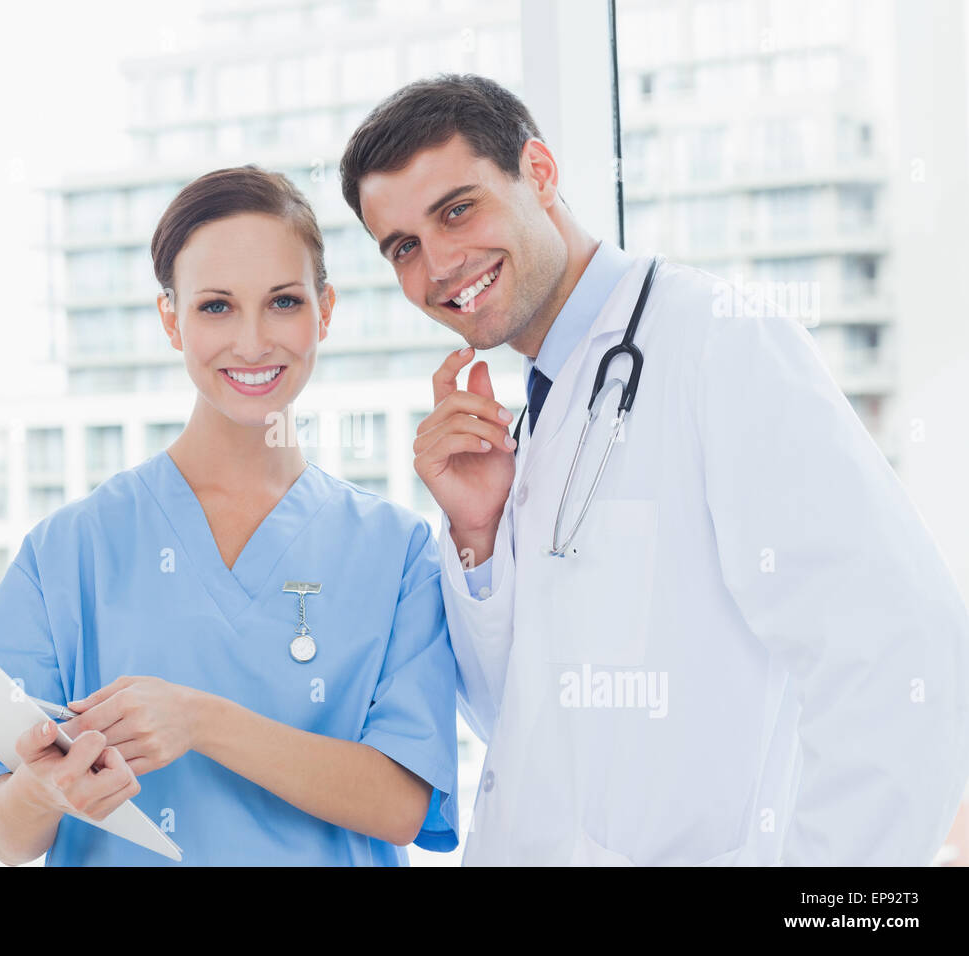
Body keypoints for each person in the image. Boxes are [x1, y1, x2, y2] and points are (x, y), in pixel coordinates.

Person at [338, 73, 969, 865]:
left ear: (539, 172)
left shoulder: (716, 345)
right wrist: (478, 532)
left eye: (457, 209)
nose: (439, 264)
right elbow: (523, 719)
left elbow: (901, 652)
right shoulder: (536, 413)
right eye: (403, 247)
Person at [0, 165, 459, 866]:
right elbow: (4, 831)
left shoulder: (396, 551)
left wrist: (201, 721)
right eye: (216, 306)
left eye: (283, 302)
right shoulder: (72, 550)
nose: (251, 342)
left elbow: (403, 805)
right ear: (170, 320)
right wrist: (45, 790)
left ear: (325, 311)